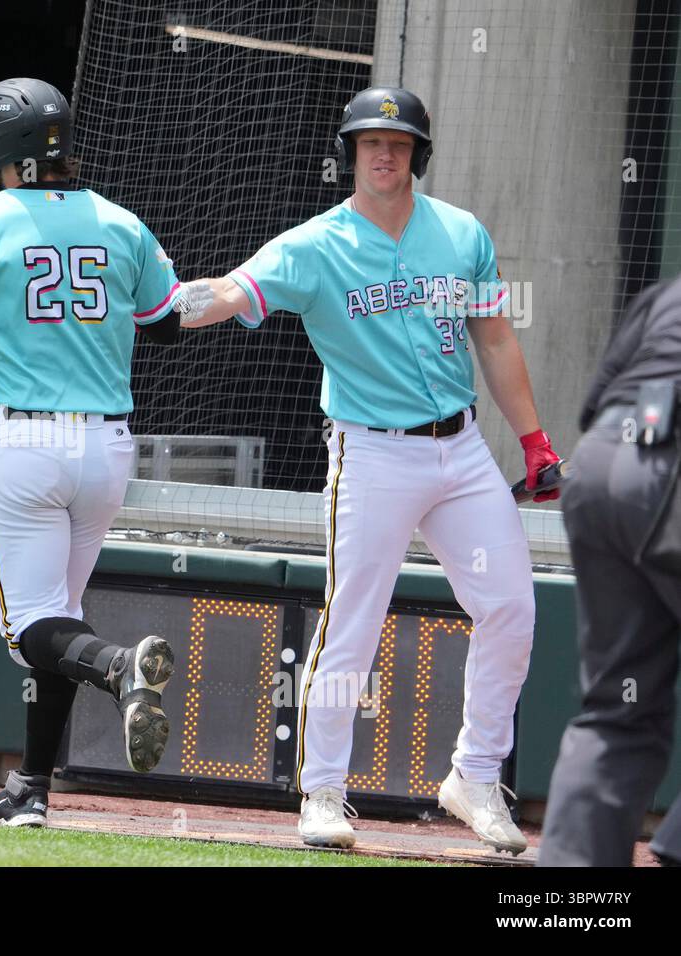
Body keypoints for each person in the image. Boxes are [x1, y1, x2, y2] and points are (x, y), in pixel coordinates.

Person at [178, 87, 559, 854]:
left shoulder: (462, 233)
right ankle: (322, 793)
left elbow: (493, 337)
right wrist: (161, 307)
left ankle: (475, 776)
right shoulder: (314, 244)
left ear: (419, 152)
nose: (383, 154)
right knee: (353, 622)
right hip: (373, 450)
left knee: (512, 609)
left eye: (398, 142)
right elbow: (229, 291)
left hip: (460, 449)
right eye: (368, 142)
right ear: (350, 153)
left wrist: (535, 440)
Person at [0, 77, 183, 826]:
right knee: (62, 622)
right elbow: (163, 324)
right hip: (109, 447)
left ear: (8, 145)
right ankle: (30, 787)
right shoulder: (123, 223)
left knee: (30, 630)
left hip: (24, 441)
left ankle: (120, 669)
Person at [539, 276, 681, 867]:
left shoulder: (669, 292)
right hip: (671, 471)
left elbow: (594, 401)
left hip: (603, 466)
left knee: (619, 709)